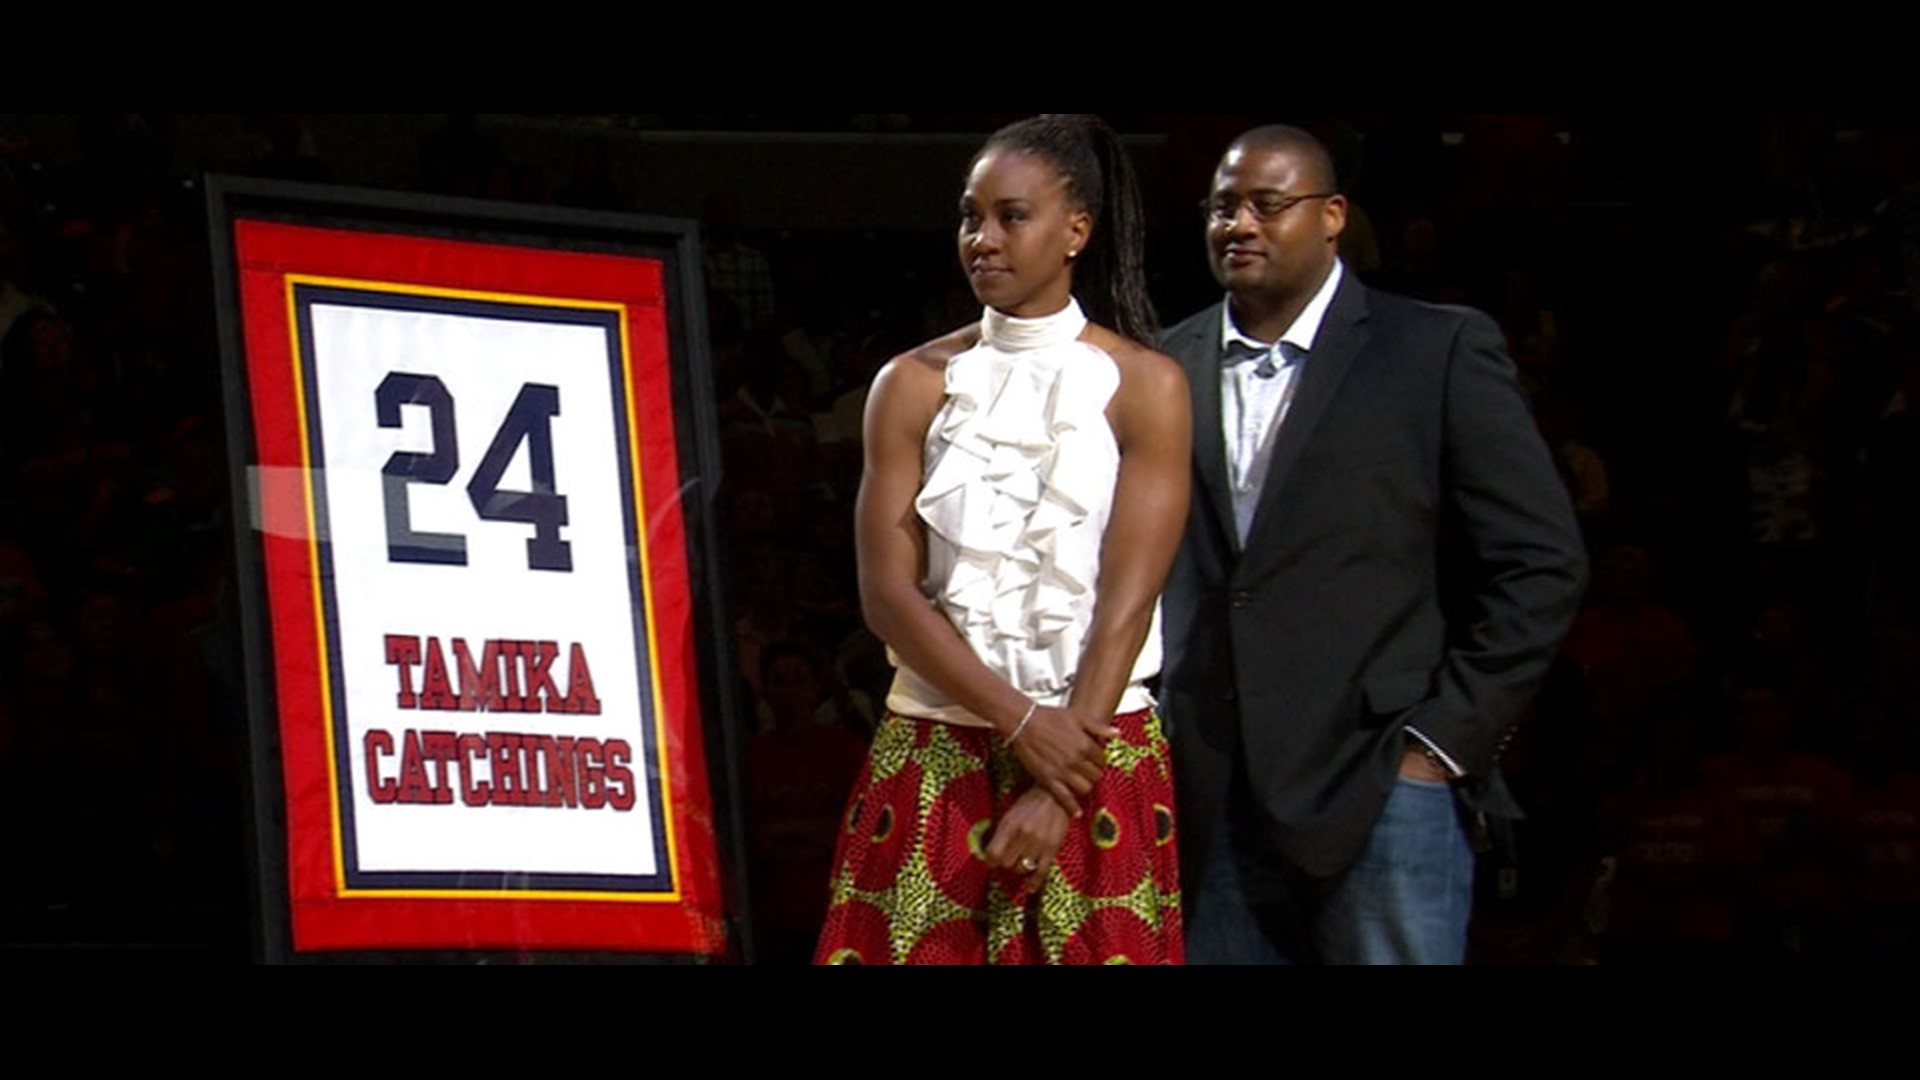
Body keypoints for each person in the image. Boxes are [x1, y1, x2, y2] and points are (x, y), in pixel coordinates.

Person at [1158, 124, 1587, 964]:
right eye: (1222, 207)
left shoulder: (1433, 348)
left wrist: (1444, 742)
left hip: (1383, 777)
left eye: (1267, 204)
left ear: (1333, 216)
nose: (1238, 224)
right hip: (1207, 784)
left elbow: (1542, 563)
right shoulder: (1163, 364)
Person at [814, 115, 1191, 965]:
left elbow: (1128, 602)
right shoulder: (909, 385)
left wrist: (1062, 775)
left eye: (1010, 216)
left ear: (1076, 231)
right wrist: (1020, 720)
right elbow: (888, 595)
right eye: (968, 217)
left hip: (1098, 751)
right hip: (937, 746)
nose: (982, 239)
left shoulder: (1147, 385)